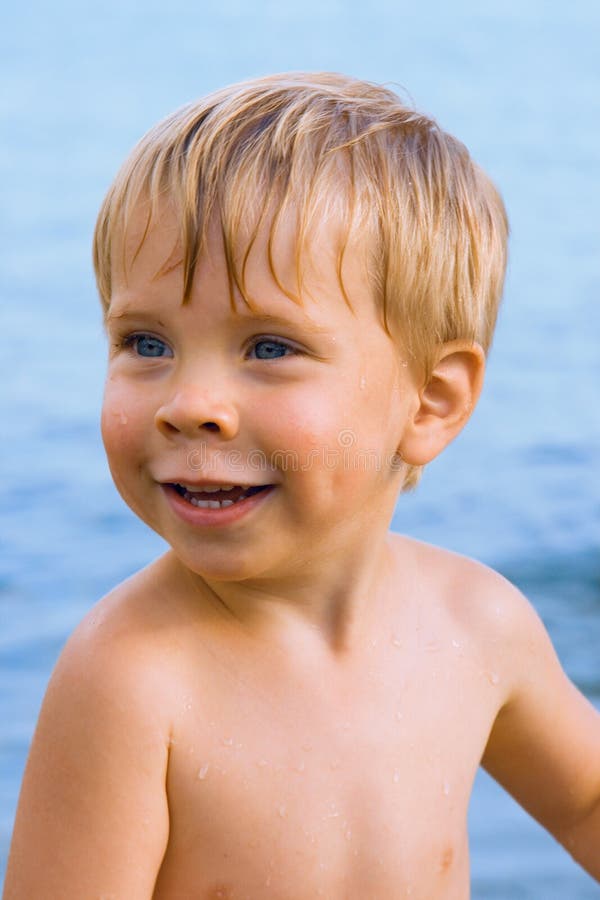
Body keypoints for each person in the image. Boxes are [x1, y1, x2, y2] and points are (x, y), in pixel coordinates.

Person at [4, 72, 599, 899]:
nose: (189, 406)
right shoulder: (133, 682)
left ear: (431, 401)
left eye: (269, 348)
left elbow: (586, 805)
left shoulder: (478, 626)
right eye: (145, 342)